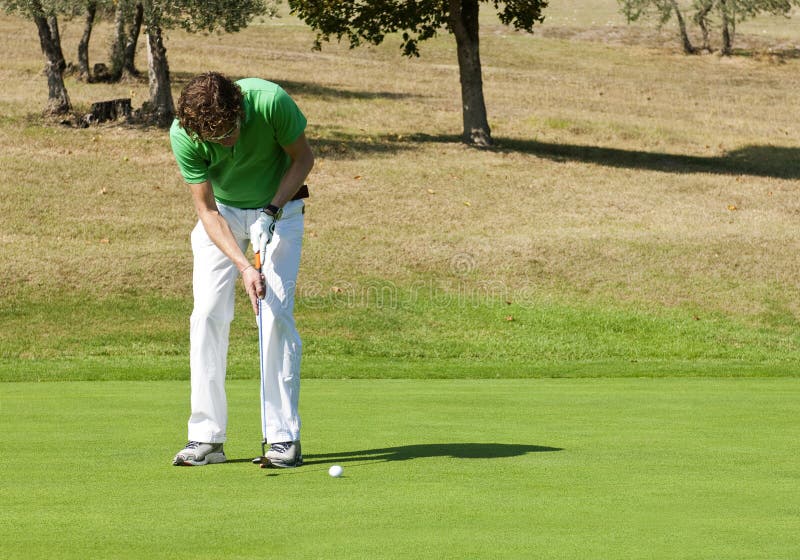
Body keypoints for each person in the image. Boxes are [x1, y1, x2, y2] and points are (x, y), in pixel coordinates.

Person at [168, 72, 314, 467]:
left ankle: (283, 438)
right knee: (207, 314)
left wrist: (271, 211)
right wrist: (243, 266)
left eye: (228, 131)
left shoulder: (269, 101)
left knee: (275, 313)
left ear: (238, 109)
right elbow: (207, 210)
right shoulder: (183, 134)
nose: (224, 142)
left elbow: (304, 159)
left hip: (280, 204)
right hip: (225, 214)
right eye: (212, 138)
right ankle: (206, 438)